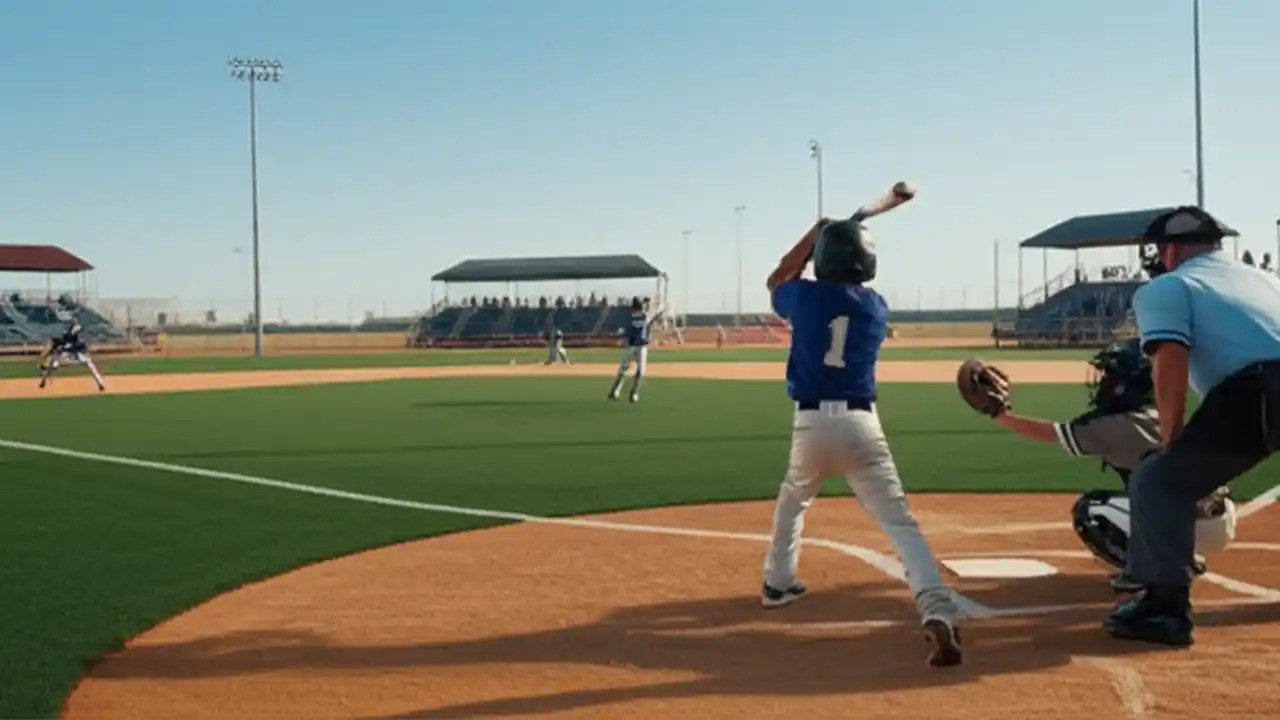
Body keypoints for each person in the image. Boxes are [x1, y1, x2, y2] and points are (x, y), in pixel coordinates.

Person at [761, 216, 963, 668]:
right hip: (861, 424)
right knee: (900, 523)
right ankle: (936, 607)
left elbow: (777, 279)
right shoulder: (876, 306)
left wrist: (810, 238)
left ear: (823, 260)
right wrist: (824, 241)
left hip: (811, 423)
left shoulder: (804, 296)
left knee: (793, 501)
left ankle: (777, 583)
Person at [1106, 205, 1280, 647]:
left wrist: (1170, 437)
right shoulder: (1264, 278)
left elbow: (1170, 359)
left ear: (1169, 250)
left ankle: (1164, 610)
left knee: (1159, 482)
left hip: (1261, 389)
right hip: (1265, 381)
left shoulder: (1170, 285)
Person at [979, 338, 1236, 593]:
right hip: (1216, 516)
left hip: (1191, 521)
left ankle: (1147, 571)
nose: (1104, 382)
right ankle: (1182, 558)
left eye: (1111, 376)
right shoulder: (1158, 413)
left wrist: (1001, 415)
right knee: (1151, 495)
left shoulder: (1115, 425)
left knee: (1090, 511)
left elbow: (1052, 433)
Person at [607, 296, 664, 403]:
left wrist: (618, 335)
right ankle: (634, 393)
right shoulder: (645, 317)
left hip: (631, 347)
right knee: (640, 372)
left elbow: (624, 331)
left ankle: (615, 391)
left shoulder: (631, 318)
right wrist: (657, 306)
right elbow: (656, 313)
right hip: (642, 347)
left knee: (623, 369)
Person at [38, 312, 106, 391]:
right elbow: (66, 339)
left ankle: (100, 384)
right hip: (68, 354)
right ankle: (43, 380)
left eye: (75, 319)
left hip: (76, 353)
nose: (74, 320)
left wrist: (65, 344)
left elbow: (76, 332)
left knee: (90, 365)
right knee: (54, 363)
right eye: (73, 319)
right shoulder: (68, 330)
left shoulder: (77, 328)